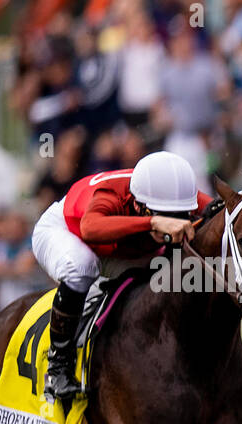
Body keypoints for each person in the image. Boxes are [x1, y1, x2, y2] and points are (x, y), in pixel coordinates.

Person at [30, 150, 210, 404]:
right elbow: (89, 229)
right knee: (82, 267)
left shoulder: (178, 191)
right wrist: (151, 224)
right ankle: (58, 365)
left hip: (121, 247)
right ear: (138, 204)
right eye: (165, 215)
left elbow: (224, 210)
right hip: (68, 232)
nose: (174, 223)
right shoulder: (111, 194)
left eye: (181, 215)